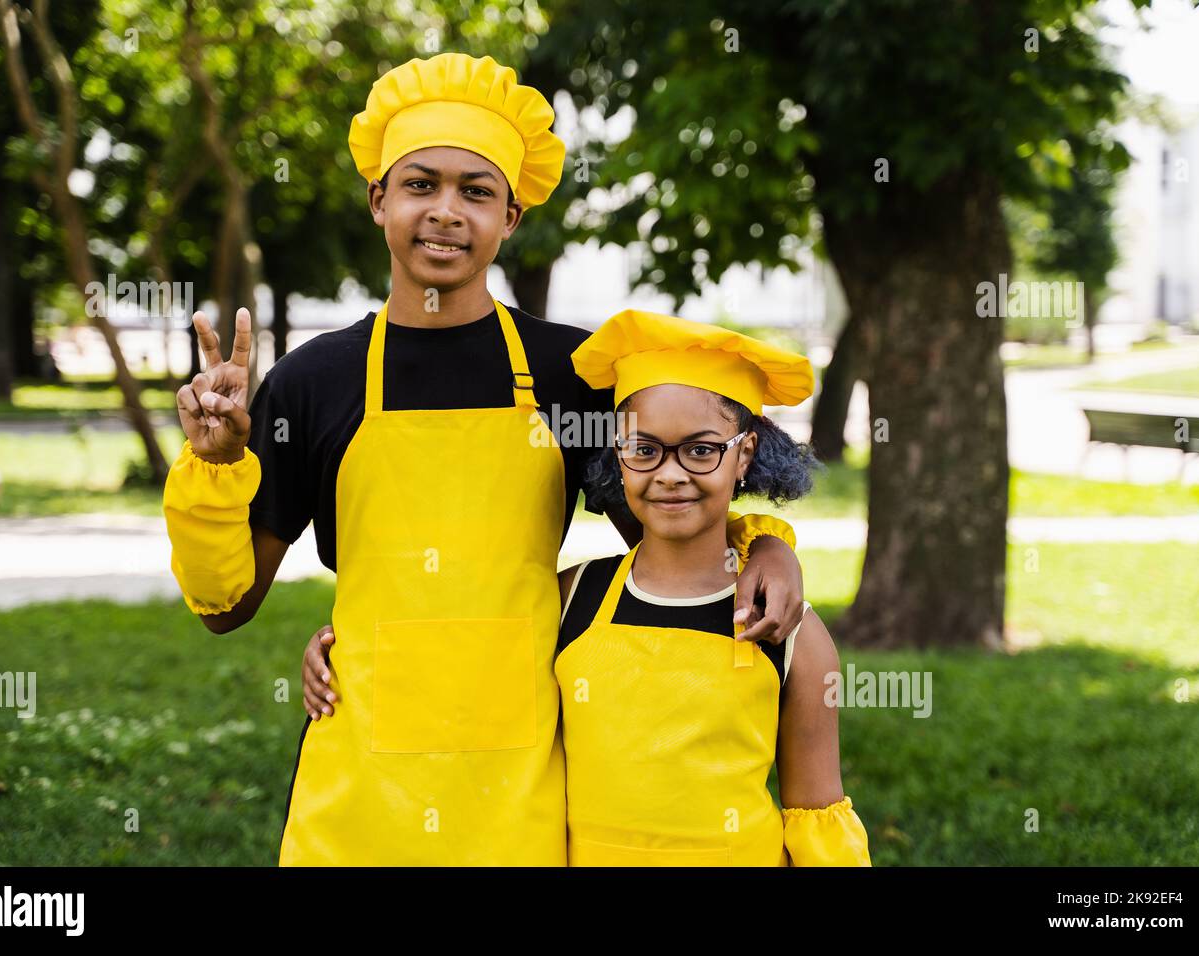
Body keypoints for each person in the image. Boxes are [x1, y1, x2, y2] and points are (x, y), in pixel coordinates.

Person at [164, 53, 808, 866]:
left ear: (510, 218)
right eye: (421, 184)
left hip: (524, 783)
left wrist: (767, 546)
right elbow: (224, 606)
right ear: (378, 201)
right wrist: (219, 465)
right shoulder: (312, 383)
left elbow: (675, 527)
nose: (446, 211)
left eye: (476, 192)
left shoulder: (572, 377)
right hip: (359, 785)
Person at [304, 309, 872, 866]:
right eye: (644, 449)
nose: (670, 473)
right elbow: (466, 648)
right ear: (617, 456)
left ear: (743, 454)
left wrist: (769, 544)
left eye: (701, 450)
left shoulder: (789, 629)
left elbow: (815, 812)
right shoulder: (573, 600)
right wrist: (341, 651)